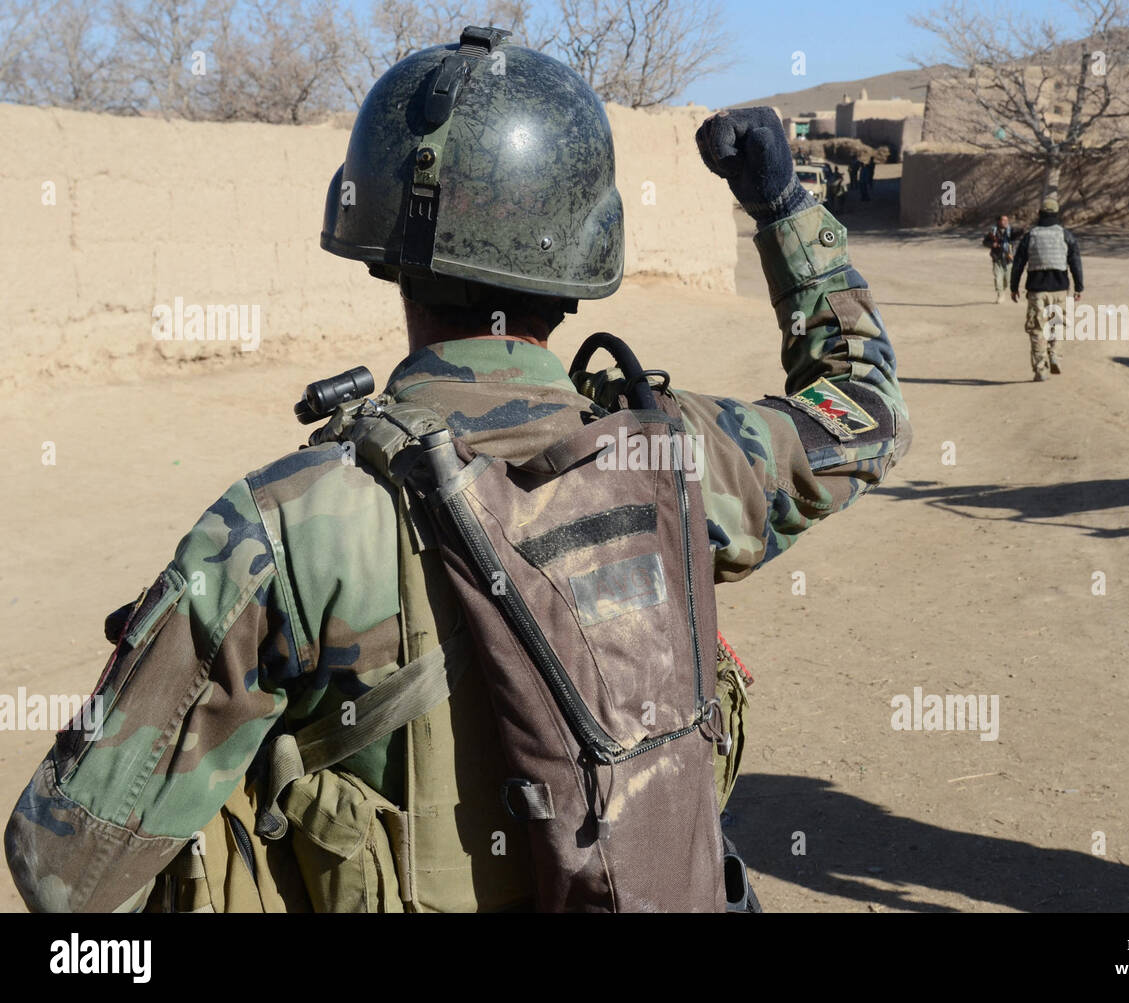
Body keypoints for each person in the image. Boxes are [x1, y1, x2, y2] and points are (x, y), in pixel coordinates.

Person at [5, 29, 910, 913]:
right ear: (586, 265)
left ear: (385, 251)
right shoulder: (680, 460)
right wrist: (785, 207)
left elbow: (62, 867)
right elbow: (865, 412)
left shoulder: (285, 528)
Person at [1010, 196, 1084, 381]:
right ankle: (1055, 354)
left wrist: (1013, 286)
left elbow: (1018, 262)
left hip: (1037, 290)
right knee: (1057, 325)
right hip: (1060, 289)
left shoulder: (1031, 235)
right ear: (1057, 214)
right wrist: (1079, 286)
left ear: (1040, 214)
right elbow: (1075, 262)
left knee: (1036, 329)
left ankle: (1041, 368)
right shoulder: (1066, 235)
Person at [982, 214, 1019, 304]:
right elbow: (985, 242)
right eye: (1003, 220)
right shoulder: (993, 232)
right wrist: (992, 245)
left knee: (1007, 280)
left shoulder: (1011, 231)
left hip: (1008, 258)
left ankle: (1003, 290)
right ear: (998, 221)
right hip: (997, 259)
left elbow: (1017, 235)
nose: (1006, 222)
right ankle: (1000, 294)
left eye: (1007, 220)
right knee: (998, 278)